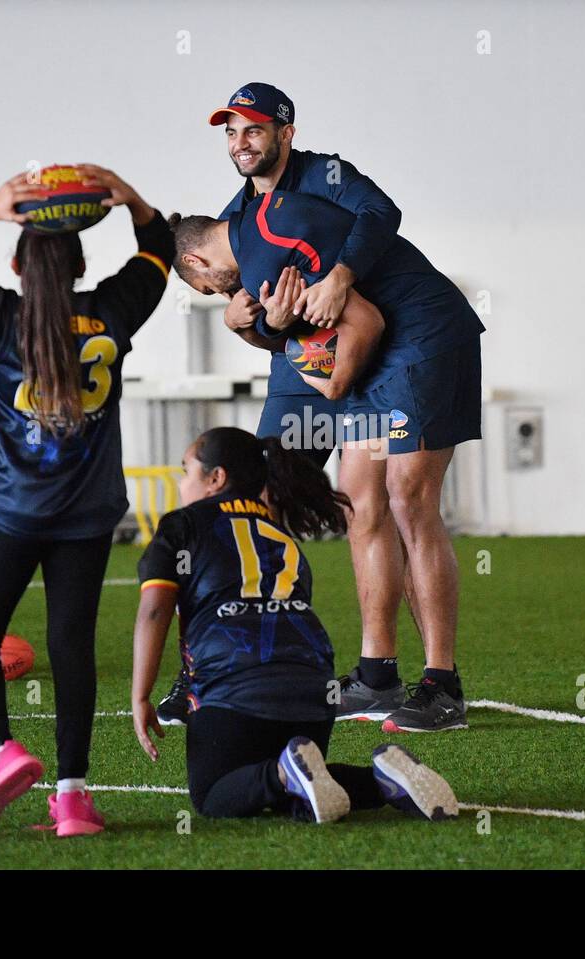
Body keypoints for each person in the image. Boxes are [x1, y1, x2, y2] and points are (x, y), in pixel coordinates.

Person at [0, 168, 173, 835]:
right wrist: (128, 196)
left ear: (18, 264)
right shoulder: (114, 308)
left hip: (13, 511)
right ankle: (74, 798)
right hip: (88, 516)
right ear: (83, 260)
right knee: (71, 646)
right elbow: (161, 248)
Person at [169, 189, 484, 733]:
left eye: (205, 288)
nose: (220, 292)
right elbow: (299, 334)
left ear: (197, 263)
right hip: (364, 363)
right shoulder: (245, 219)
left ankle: (442, 685)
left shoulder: (273, 228)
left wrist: (293, 346)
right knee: (359, 504)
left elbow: (357, 331)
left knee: (408, 500)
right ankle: (377, 674)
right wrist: (246, 324)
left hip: (412, 345)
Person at [153, 82, 408, 727]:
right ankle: (218, 670)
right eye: (231, 132)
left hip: (374, 348)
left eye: (253, 129)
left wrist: (340, 276)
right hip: (301, 367)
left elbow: (383, 215)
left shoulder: (323, 176)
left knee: (374, 504)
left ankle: (382, 673)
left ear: (284, 132)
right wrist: (240, 320)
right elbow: (249, 301)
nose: (241, 142)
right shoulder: (239, 209)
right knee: (252, 498)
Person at [132, 426, 458, 822]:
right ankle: (382, 781)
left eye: (187, 471)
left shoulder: (182, 525)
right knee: (300, 795)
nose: (182, 484)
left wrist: (141, 695)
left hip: (235, 690)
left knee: (214, 796)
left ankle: (286, 770)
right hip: (312, 693)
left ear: (215, 478)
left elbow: (154, 610)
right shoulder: (280, 535)